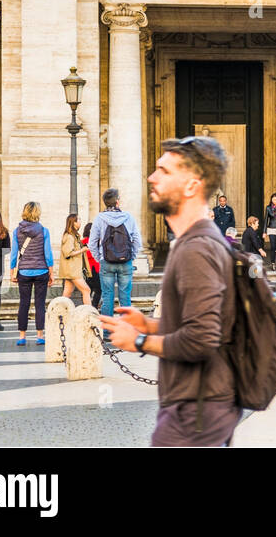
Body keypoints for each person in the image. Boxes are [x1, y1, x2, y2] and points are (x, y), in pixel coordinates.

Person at [101, 136, 240, 447]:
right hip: (198, 409)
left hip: (193, 417)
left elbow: (203, 339)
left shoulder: (196, 249)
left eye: (164, 171)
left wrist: (139, 341)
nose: (152, 177)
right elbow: (202, 324)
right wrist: (150, 324)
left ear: (191, 185)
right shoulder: (198, 242)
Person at [89, 188, 142, 317]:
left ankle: (107, 332)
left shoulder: (99, 218)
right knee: (125, 297)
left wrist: (100, 258)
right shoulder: (128, 217)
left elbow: (92, 243)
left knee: (107, 297)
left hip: (106, 261)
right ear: (117, 202)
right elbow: (137, 241)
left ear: (105, 203)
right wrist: (131, 256)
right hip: (125, 261)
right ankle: (126, 330)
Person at [9, 201, 54, 347]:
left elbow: (14, 254)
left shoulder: (17, 231)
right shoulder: (44, 231)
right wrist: (51, 272)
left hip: (24, 271)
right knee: (40, 304)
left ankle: (22, 336)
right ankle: (40, 335)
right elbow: (48, 254)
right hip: (41, 270)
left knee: (24, 303)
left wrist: (12, 272)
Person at [59, 214, 91, 306]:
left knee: (67, 294)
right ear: (74, 223)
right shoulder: (69, 236)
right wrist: (83, 250)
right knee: (86, 290)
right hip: (72, 270)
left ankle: (60, 314)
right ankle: (88, 314)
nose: (80, 221)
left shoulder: (73, 236)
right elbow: (68, 253)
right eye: (79, 220)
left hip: (71, 270)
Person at [81, 220, 101, 309]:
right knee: (99, 290)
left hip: (86, 269)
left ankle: (88, 307)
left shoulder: (82, 242)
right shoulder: (94, 242)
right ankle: (94, 306)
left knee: (88, 290)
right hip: (94, 268)